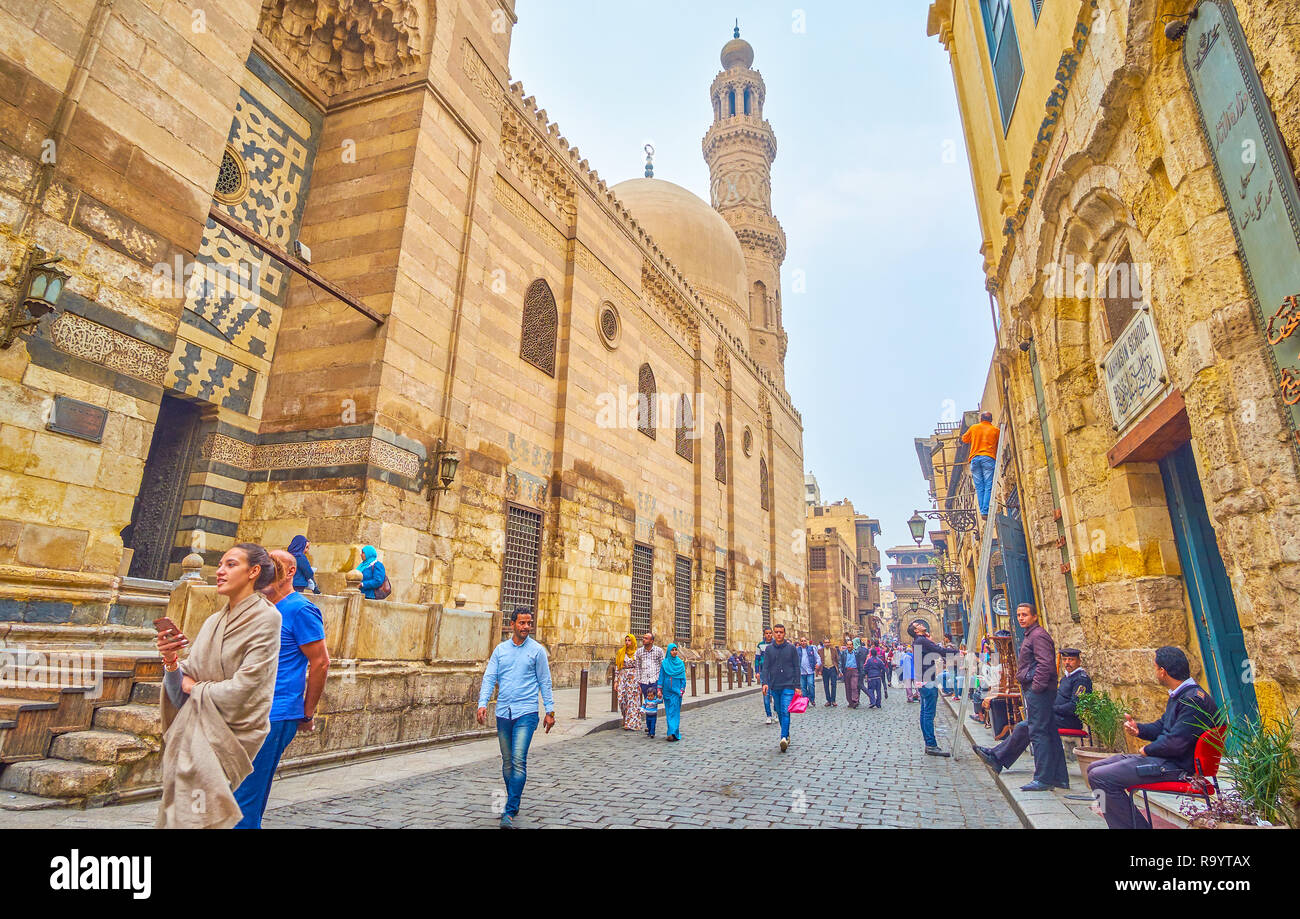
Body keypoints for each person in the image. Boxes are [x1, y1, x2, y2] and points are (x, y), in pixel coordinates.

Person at [155, 543, 282, 828]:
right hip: (191, 734)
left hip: (229, 735)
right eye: (221, 564)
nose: (220, 571)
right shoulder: (214, 620)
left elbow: (245, 688)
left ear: (254, 571)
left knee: (201, 818)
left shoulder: (267, 618)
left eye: (231, 564)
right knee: (183, 817)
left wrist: (194, 688)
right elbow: (180, 693)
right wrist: (171, 660)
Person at [232, 550, 330, 829]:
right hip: (243, 709)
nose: (265, 571)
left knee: (243, 797)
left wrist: (306, 713)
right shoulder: (256, 607)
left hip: (274, 713)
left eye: (272, 566)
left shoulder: (300, 609)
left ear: (290, 573)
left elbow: (321, 663)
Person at [1087, 647, 1220, 829]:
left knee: (1101, 777)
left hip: (1178, 768)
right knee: (1094, 768)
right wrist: (1138, 729)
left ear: (1163, 672)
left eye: (1155, 667)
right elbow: (1162, 726)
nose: (1155, 672)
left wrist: (1147, 750)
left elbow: (1176, 743)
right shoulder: (1182, 695)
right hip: (1166, 760)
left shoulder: (1192, 700)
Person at [476, 607, 556, 829]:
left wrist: (550, 711)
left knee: (519, 760)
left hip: (527, 713)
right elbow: (490, 677)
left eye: (529, 623)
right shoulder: (500, 650)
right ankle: (514, 797)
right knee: (507, 761)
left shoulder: (537, 651)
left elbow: (544, 681)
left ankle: (509, 811)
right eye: (522, 623)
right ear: (513, 624)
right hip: (503, 712)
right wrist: (482, 703)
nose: (526, 627)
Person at [972, 646, 1093, 778]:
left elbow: (1074, 706)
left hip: (1068, 721)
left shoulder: (1081, 679)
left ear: (1079, 662)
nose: (1067, 663)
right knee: (1025, 726)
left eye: (1071, 660)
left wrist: (1052, 709)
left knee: (1026, 726)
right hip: (1056, 717)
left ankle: (996, 757)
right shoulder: (1067, 678)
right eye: (1065, 659)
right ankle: (995, 756)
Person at [1005, 603, 1070, 791]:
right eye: (1018, 615)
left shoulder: (1038, 635)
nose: (1021, 618)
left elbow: (1045, 664)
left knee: (1038, 732)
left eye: (1024, 614)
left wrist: (1036, 687)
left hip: (1039, 692)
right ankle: (1059, 778)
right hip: (1040, 691)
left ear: (1034, 616)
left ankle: (1043, 778)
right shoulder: (1032, 635)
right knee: (1049, 731)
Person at [908, 619, 958, 756]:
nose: (921, 624)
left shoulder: (918, 642)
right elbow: (940, 651)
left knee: (925, 713)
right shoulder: (922, 641)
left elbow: (934, 653)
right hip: (928, 681)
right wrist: (958, 652)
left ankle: (929, 743)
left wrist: (929, 639)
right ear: (916, 631)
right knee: (929, 714)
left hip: (922, 681)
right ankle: (931, 744)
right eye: (917, 625)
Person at [760, 624, 800, 752]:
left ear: (784, 633)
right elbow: (765, 668)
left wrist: (797, 686)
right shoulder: (769, 650)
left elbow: (796, 667)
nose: (778, 634)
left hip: (788, 685)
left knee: (785, 710)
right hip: (774, 685)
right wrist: (765, 683)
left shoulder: (791, 649)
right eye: (776, 632)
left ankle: (783, 738)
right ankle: (787, 734)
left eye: (781, 632)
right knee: (778, 710)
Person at [962, 410, 1000, 517]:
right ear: (991, 420)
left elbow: (964, 439)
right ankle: (985, 510)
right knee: (988, 485)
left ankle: (983, 511)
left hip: (975, 459)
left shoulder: (974, 428)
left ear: (981, 419)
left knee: (979, 487)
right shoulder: (995, 430)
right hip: (988, 458)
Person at [614, 634, 644, 731]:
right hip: (622, 677)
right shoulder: (621, 652)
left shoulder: (638, 653)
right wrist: (616, 681)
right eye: (626, 640)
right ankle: (625, 717)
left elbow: (640, 668)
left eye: (629, 640)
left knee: (633, 700)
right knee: (621, 698)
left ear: (633, 641)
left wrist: (640, 682)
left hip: (633, 678)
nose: (627, 642)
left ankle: (631, 723)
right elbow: (617, 667)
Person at [659, 643, 687, 741]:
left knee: (675, 712)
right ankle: (671, 731)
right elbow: (661, 676)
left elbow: (683, 678)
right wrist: (659, 689)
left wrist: (682, 690)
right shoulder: (665, 663)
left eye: (676, 650)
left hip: (676, 691)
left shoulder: (680, 663)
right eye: (672, 650)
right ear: (668, 651)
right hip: (667, 691)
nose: (674, 652)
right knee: (669, 712)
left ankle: (674, 732)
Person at [635, 631, 665, 700]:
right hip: (644, 681)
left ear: (651, 641)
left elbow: (662, 666)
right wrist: (639, 681)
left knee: (654, 702)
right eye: (643, 638)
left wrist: (660, 681)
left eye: (646, 638)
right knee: (646, 701)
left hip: (655, 680)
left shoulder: (659, 651)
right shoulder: (639, 651)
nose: (643, 640)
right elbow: (638, 667)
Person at [756, 626, 776, 724]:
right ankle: (768, 715)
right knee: (766, 694)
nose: (768, 635)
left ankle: (776, 712)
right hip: (764, 672)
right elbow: (757, 659)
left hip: (775, 672)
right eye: (766, 633)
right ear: (764, 634)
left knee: (775, 694)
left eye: (770, 633)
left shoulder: (776, 644)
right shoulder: (760, 645)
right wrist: (757, 672)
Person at [840, 637, 861, 708]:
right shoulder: (843, 653)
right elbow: (840, 662)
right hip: (847, 671)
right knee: (848, 687)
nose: (849, 646)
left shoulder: (856, 653)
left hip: (854, 670)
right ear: (846, 646)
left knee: (854, 686)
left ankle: (855, 700)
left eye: (850, 645)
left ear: (853, 646)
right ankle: (850, 702)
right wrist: (840, 671)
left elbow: (860, 662)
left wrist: (861, 671)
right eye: (848, 645)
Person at [799, 638, 819, 706]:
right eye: (802, 641)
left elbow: (818, 657)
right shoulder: (797, 650)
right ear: (800, 642)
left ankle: (812, 699)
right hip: (801, 672)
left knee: (811, 685)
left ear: (806, 642)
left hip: (810, 671)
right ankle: (805, 700)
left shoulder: (811, 648)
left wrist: (818, 664)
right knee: (803, 687)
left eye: (804, 641)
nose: (803, 642)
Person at [820, 639, 839, 707]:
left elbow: (837, 659)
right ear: (824, 644)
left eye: (828, 642)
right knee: (826, 685)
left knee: (833, 684)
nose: (827, 644)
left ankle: (833, 700)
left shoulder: (834, 650)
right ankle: (828, 700)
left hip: (832, 668)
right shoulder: (820, 651)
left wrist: (838, 669)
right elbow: (819, 660)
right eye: (825, 643)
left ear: (830, 643)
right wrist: (819, 670)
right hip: (825, 669)